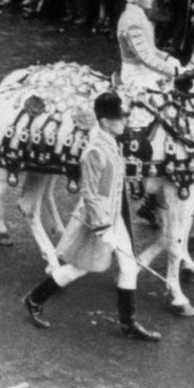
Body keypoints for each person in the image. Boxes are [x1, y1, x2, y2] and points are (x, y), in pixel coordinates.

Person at [21, 91, 163, 341]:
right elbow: (89, 192)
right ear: (106, 122)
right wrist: (102, 228)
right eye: (119, 119)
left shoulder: (110, 142)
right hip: (99, 221)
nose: (124, 122)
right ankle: (34, 300)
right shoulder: (96, 150)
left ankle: (128, 324)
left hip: (114, 216)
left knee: (129, 267)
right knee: (78, 268)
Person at [115, 0, 181, 92]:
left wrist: (168, 57)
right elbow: (145, 58)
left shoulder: (138, 14)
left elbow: (151, 49)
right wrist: (174, 71)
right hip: (135, 75)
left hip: (144, 70)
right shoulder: (131, 21)